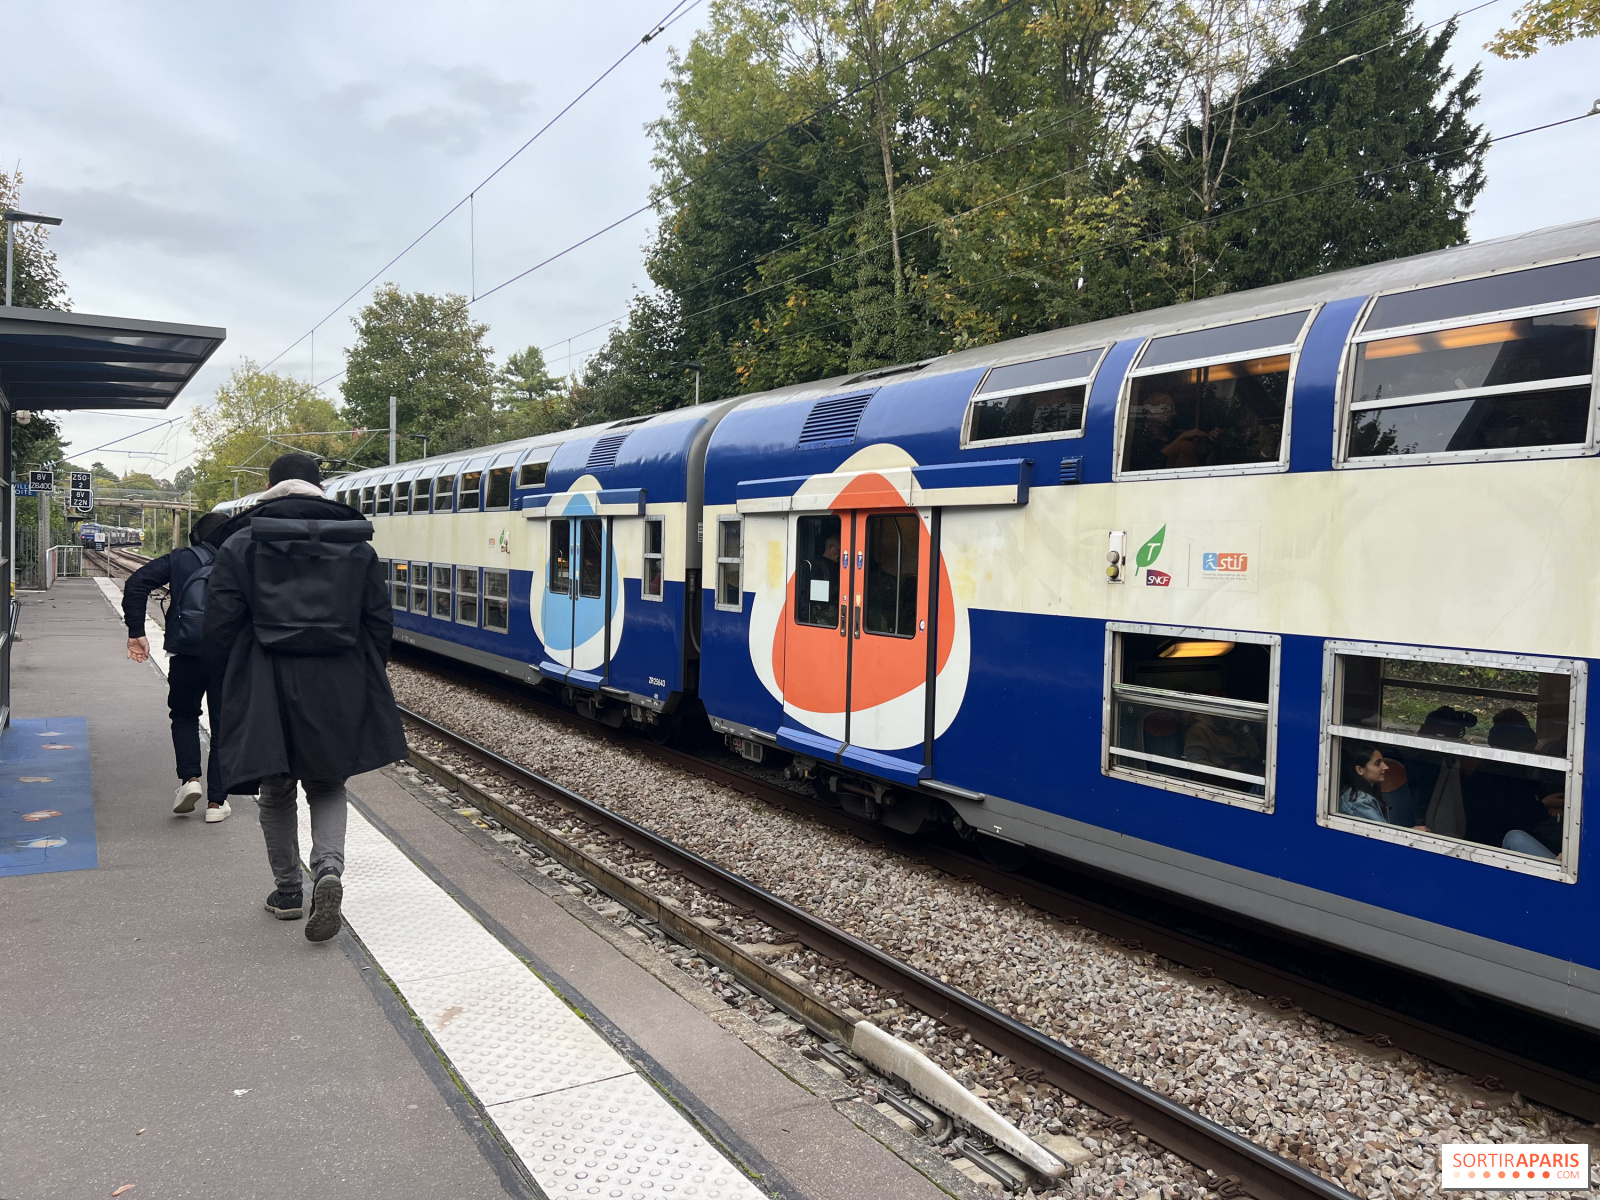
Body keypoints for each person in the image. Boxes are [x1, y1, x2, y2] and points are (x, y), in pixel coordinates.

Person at [202, 453, 407, 942]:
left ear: (271, 488)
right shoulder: (357, 546)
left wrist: (228, 679)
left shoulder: (241, 542)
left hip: (265, 675)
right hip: (338, 675)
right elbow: (378, 621)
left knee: (275, 788)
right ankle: (329, 871)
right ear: (319, 488)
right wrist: (365, 673)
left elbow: (221, 622)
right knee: (328, 780)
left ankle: (289, 892)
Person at [123, 511, 234, 822]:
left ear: (196, 537)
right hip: (227, 656)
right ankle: (216, 803)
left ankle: (190, 780)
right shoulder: (241, 559)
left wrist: (136, 632)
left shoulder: (181, 559)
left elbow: (136, 584)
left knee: (184, 715)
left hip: (186, 652)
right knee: (225, 726)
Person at [1337, 743, 1391, 823]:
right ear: (1360, 770)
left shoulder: (1366, 792)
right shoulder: (1359, 802)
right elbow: (1383, 832)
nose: (1386, 767)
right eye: (1377, 763)